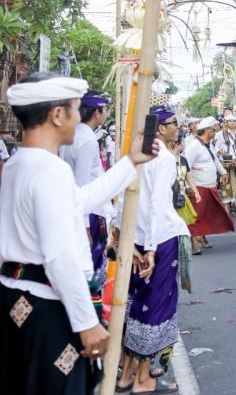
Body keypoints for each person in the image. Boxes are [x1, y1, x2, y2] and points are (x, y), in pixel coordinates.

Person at [0, 73, 156, 395]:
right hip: (47, 307)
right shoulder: (51, 170)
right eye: (74, 108)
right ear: (57, 115)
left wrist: (130, 161)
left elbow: (80, 200)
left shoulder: (19, 164)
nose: (78, 118)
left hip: (17, 298)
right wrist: (87, 323)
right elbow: (60, 257)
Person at [117, 106, 189, 394]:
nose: (177, 127)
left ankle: (127, 372)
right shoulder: (164, 157)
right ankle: (143, 379)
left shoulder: (135, 152)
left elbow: (124, 198)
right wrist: (150, 249)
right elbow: (157, 205)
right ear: (159, 128)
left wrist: (124, 236)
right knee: (155, 306)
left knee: (136, 304)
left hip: (137, 238)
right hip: (158, 240)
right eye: (173, 123)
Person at [58, 91, 113, 288]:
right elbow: (81, 185)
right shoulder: (87, 141)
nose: (106, 113)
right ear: (97, 112)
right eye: (105, 109)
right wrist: (84, 227)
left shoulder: (73, 135)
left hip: (78, 209)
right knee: (92, 267)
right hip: (90, 212)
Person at [184, 116, 234, 254]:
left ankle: (201, 235)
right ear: (207, 130)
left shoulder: (208, 145)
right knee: (195, 216)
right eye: (213, 129)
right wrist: (188, 187)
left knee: (207, 215)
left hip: (209, 186)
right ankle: (193, 244)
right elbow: (186, 167)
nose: (215, 132)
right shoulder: (194, 146)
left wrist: (223, 172)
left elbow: (215, 160)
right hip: (198, 187)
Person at [214, 114, 236, 215]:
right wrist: (220, 151)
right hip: (225, 162)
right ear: (226, 123)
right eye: (230, 121)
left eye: (234, 121)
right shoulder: (219, 134)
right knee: (226, 184)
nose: (232, 123)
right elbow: (215, 148)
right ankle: (226, 208)